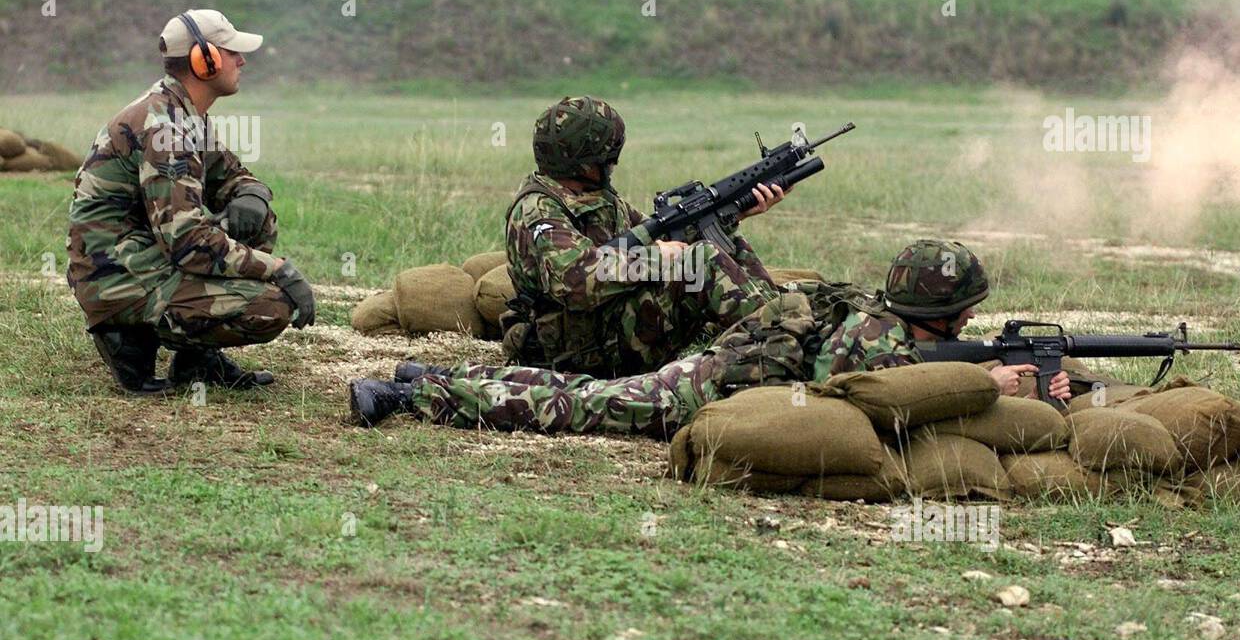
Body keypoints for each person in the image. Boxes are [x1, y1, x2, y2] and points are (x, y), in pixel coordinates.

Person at [348, 239, 1071, 431]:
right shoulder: (877, 346)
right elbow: (887, 403)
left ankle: (423, 378)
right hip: (716, 385)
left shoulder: (879, 319)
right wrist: (990, 386)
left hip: (725, 369)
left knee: (595, 392)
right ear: (942, 311)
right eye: (967, 309)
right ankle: (412, 397)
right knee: (586, 407)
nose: (974, 321)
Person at [66, 9, 316, 394]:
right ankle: (126, 335)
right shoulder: (165, 130)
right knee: (269, 306)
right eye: (233, 52)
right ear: (205, 60)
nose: (242, 60)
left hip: (142, 257)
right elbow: (188, 244)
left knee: (256, 217)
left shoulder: (185, 114)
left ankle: (196, 361)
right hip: (115, 276)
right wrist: (278, 269)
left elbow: (235, 176)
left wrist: (254, 194)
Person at [500, 94, 786, 378]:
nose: (614, 163)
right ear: (586, 163)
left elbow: (666, 237)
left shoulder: (600, 199)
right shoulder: (537, 209)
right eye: (609, 156)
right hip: (571, 350)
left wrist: (734, 213)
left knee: (726, 245)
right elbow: (575, 280)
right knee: (702, 259)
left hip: (604, 328)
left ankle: (784, 323)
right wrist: (659, 257)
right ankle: (784, 350)